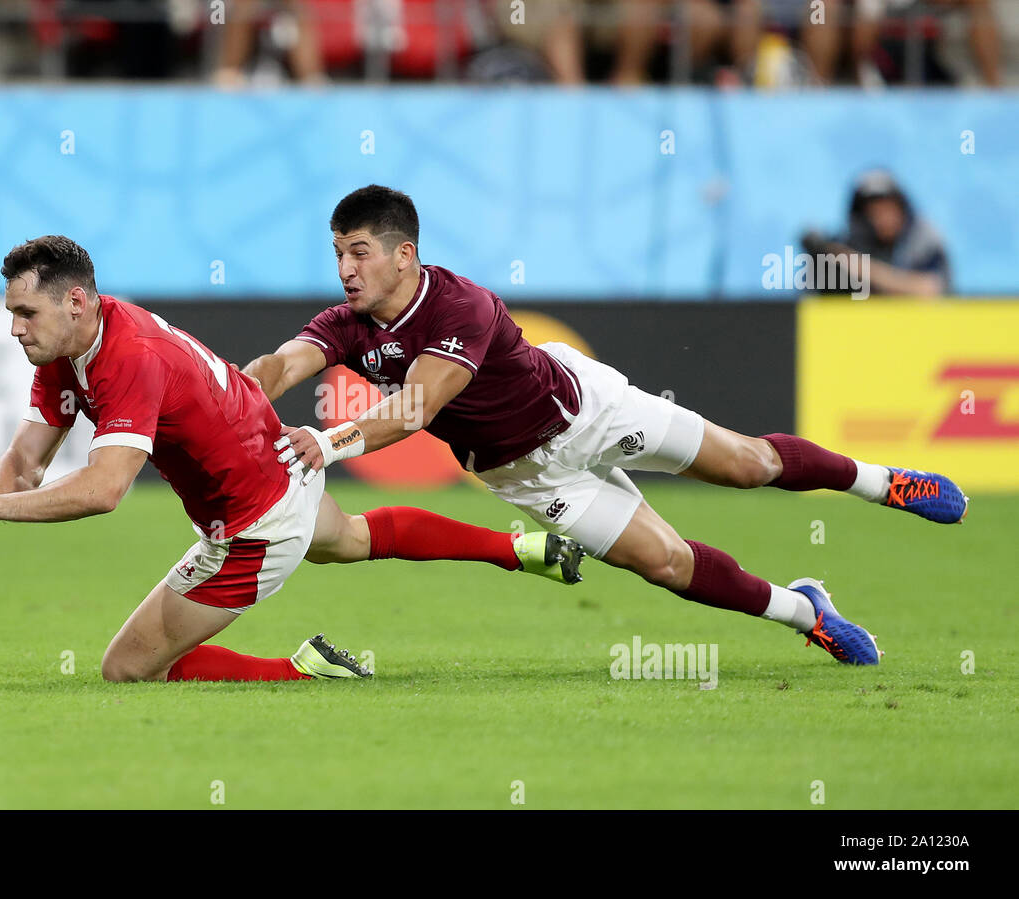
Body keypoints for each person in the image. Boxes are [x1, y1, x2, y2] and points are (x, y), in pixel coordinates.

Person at [245, 185, 971, 667]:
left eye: (359, 251)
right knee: (667, 564)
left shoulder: (461, 306)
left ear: (404, 253)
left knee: (748, 464)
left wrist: (330, 441)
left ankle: (882, 482)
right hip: (524, 473)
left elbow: (418, 405)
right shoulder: (346, 324)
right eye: (338, 252)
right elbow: (285, 362)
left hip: (588, 411)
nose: (344, 267)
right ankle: (802, 609)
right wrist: (233, 393)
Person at [0, 235, 583, 684]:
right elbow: (25, 461)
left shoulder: (128, 357)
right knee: (348, 538)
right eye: (11, 312)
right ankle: (519, 548)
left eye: (26, 311)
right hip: (278, 462)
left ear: (77, 301)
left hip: (255, 521)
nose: (14, 327)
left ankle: (305, 674)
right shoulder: (64, 351)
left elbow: (105, 488)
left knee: (126, 668)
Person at [801, 169, 951, 297]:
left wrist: (859, 267)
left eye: (888, 209)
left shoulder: (922, 240)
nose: (882, 219)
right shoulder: (852, 241)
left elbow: (932, 290)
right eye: (873, 213)